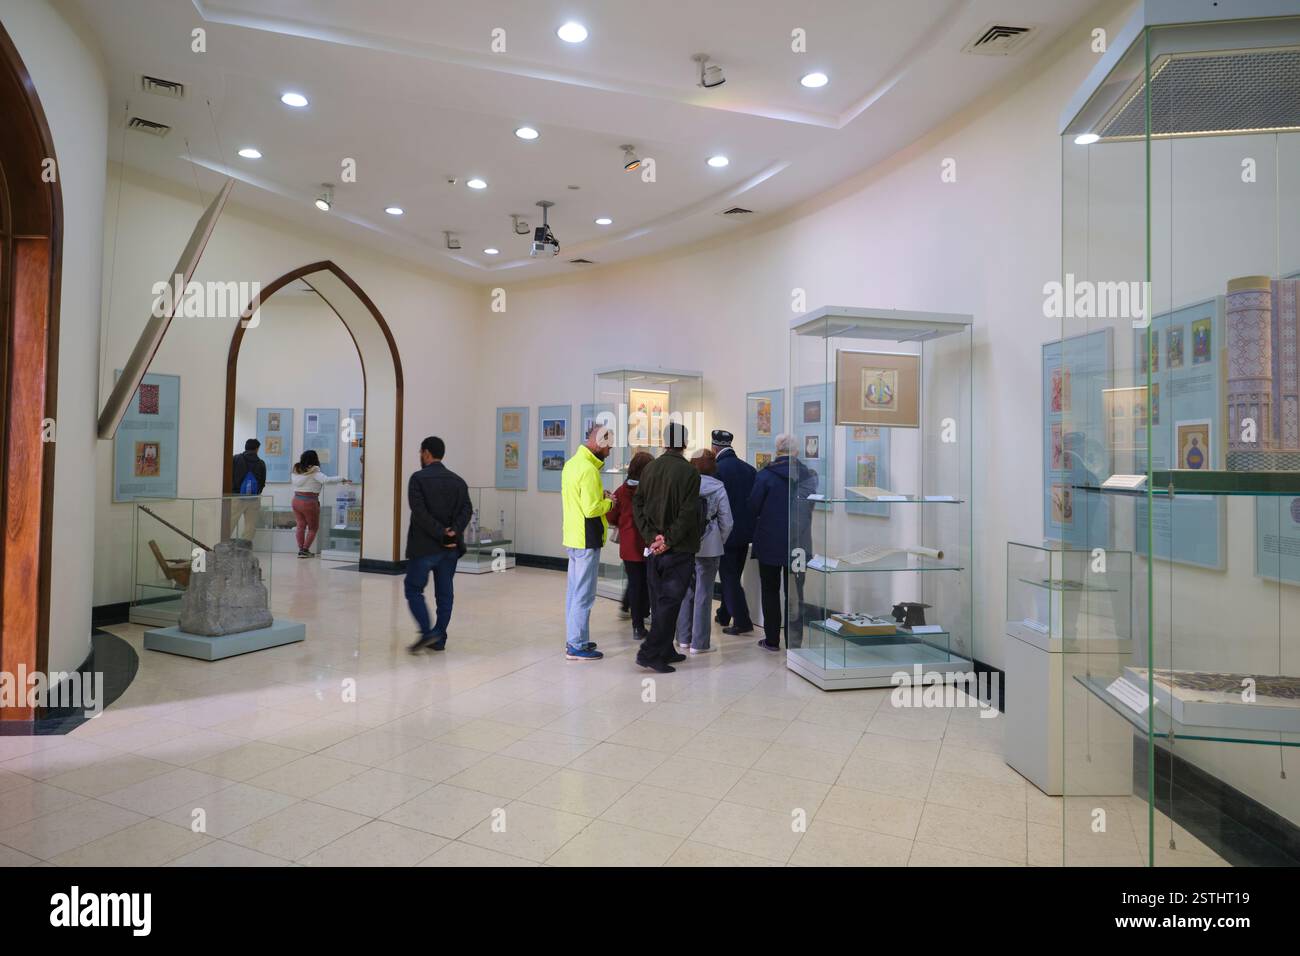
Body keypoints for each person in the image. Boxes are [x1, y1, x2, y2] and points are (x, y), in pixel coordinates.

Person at [633, 422, 701, 673]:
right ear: (684, 442)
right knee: (669, 603)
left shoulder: (649, 469)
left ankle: (665, 649)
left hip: (654, 550)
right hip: (678, 548)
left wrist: (652, 538)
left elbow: (637, 505)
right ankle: (650, 653)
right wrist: (669, 540)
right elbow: (687, 512)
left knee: (659, 601)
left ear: (663, 442)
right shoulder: (690, 472)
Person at [749, 433, 817, 651]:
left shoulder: (765, 475)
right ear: (796, 452)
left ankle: (771, 640)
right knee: (795, 593)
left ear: (777, 450)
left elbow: (753, 507)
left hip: (769, 541)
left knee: (770, 590)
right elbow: (809, 507)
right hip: (798, 543)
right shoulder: (808, 475)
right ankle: (794, 642)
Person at [405, 436, 472, 652]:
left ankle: (427, 633)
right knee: (445, 594)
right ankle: (439, 637)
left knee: (413, 589)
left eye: (420, 453)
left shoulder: (417, 479)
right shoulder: (458, 481)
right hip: (449, 549)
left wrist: (440, 533)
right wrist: (452, 533)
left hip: (424, 547)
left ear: (426, 453)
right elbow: (466, 510)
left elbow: (420, 512)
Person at [560, 423, 614, 661]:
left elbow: (580, 501)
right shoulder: (590, 471)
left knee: (574, 592)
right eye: (608, 445)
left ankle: (576, 637)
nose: (610, 450)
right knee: (584, 594)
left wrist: (599, 497)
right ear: (598, 443)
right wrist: (611, 503)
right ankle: (576, 644)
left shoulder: (572, 464)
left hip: (573, 536)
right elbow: (592, 509)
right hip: (587, 538)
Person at [675, 449, 733, 655]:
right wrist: (719, 540)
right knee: (704, 593)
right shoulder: (718, 488)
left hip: (684, 544)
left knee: (685, 591)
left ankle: (683, 637)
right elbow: (727, 521)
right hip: (710, 545)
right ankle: (699, 644)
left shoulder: (684, 484)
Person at [710, 429, 757, 635]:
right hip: (745, 532)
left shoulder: (717, 469)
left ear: (714, 448)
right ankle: (724, 614)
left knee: (728, 577)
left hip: (725, 532)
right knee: (734, 575)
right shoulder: (749, 469)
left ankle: (743, 621)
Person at [606, 450, 653, 640]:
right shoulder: (650, 491)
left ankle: (637, 625)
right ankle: (643, 616)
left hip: (628, 545)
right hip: (648, 544)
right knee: (648, 582)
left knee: (634, 584)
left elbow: (611, 516)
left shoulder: (621, 491)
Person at [290, 450, 349, 558]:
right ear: (315, 460)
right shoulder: (315, 472)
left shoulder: (296, 471)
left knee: (300, 526)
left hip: (296, 500)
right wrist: (341, 479)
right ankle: (305, 550)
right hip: (309, 502)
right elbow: (326, 480)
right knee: (313, 527)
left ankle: (300, 549)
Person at [228, 438, 267, 540]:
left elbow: (228, 476)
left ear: (245, 447)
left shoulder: (235, 459)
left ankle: (222, 546)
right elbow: (262, 482)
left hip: (236, 497)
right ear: (257, 449)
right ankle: (244, 550)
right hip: (254, 498)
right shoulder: (261, 463)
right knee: (250, 526)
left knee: (230, 523)